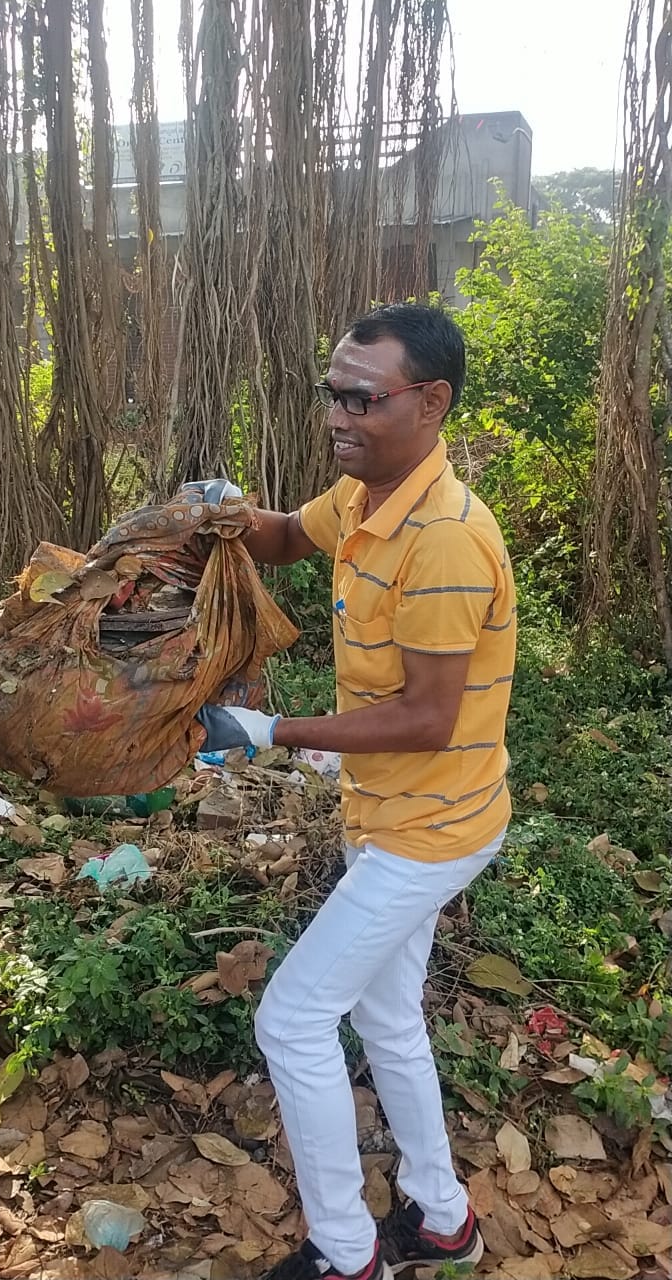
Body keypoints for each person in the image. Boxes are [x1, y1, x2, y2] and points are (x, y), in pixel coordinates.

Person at [198, 303, 516, 1280]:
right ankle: (445, 1217)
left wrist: (270, 730)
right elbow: (289, 535)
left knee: (290, 1018)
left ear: (431, 400)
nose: (340, 413)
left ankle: (348, 1256)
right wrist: (220, 511)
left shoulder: (448, 538)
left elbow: (428, 716)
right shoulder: (366, 494)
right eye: (333, 390)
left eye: (362, 397)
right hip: (394, 812)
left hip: (432, 826)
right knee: (385, 1016)